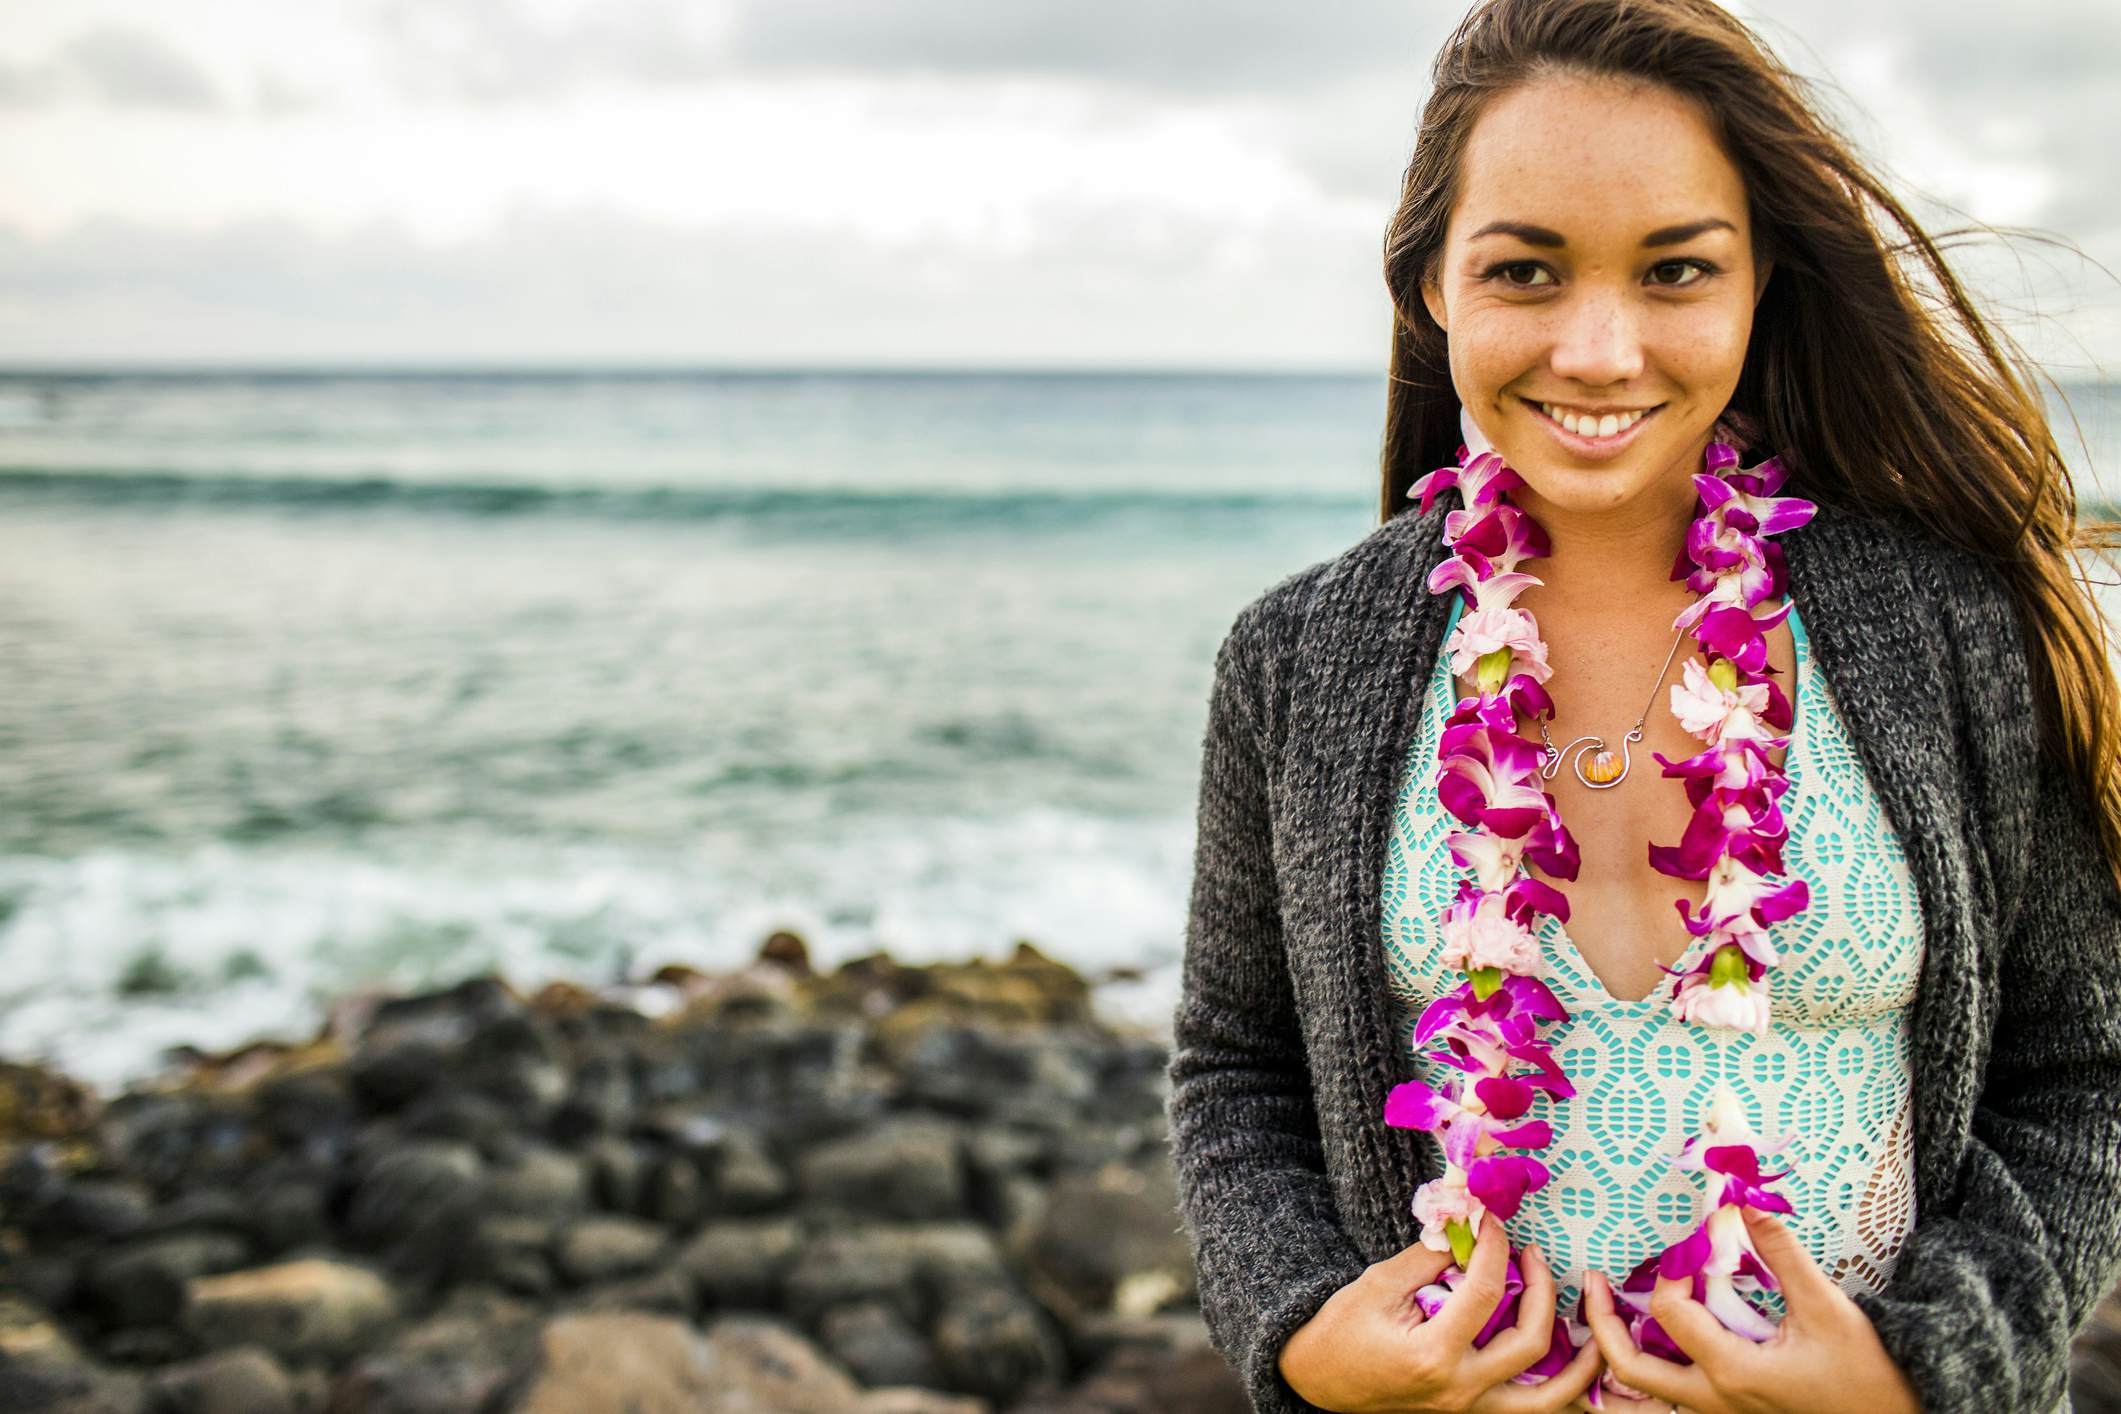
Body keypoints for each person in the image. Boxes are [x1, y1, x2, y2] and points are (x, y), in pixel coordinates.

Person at [1163, 2, 2121, 1413]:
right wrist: (1305, 1336)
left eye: (1674, 270)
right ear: (1432, 285)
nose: (1600, 350)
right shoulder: (1299, 660)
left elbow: (2083, 1061)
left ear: (1758, 283)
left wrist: (1914, 1373)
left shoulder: (1945, 627)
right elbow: (1234, 1071)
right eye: (1525, 272)